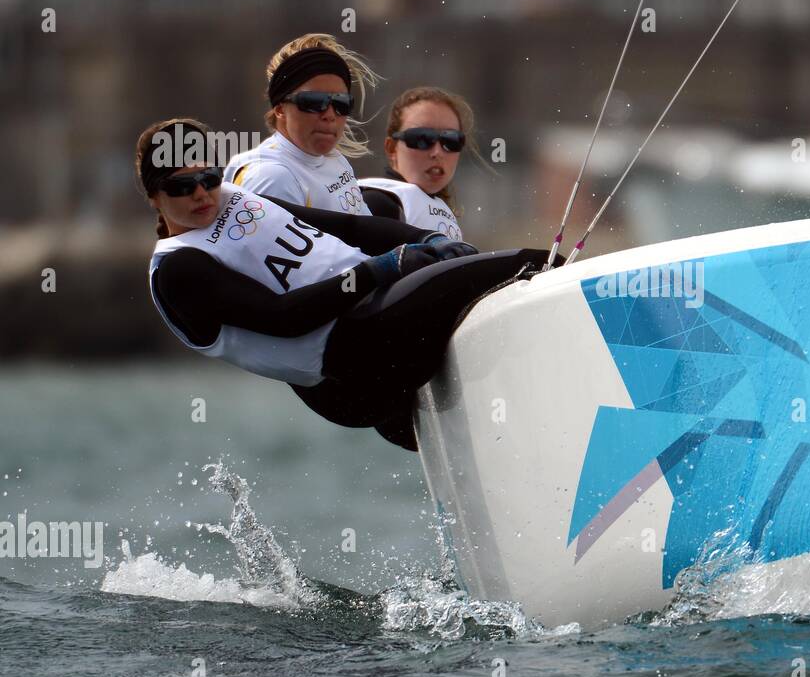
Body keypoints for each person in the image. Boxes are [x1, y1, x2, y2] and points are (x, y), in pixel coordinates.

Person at [141, 118, 547, 450]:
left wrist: (425, 238)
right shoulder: (179, 269)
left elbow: (350, 226)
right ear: (154, 195)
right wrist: (379, 270)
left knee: (481, 397)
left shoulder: (233, 199)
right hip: (350, 369)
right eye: (181, 186)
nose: (201, 193)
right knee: (532, 262)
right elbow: (284, 318)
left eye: (208, 177)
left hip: (378, 323)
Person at [225, 33, 378, 215]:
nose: (329, 115)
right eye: (313, 101)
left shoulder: (335, 159)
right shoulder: (273, 178)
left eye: (341, 103)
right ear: (280, 109)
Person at [359, 86, 480, 239]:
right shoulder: (376, 204)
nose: (437, 152)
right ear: (391, 148)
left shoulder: (443, 213)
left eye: (451, 140)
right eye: (421, 138)